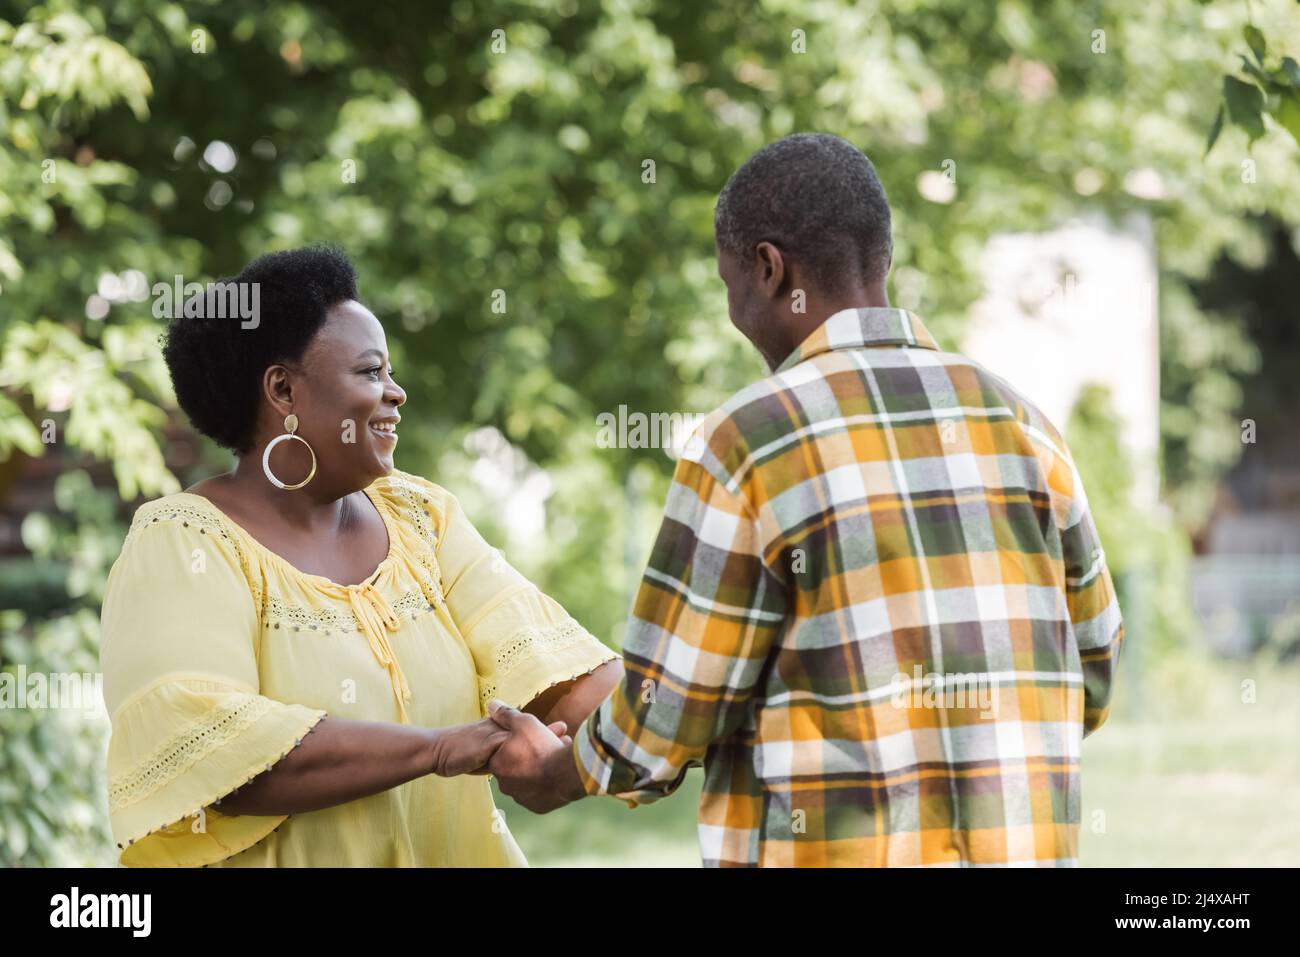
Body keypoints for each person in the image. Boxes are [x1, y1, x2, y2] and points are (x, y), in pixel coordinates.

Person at [486, 132, 1125, 867]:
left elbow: (668, 712)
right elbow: (1095, 670)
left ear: (767, 268)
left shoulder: (749, 442)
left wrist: (560, 768)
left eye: (730, 283)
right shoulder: (1022, 425)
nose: (734, 309)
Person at [99, 246, 621, 866]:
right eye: (371, 373)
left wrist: (688, 712)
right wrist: (438, 748)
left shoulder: (421, 516)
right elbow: (219, 752)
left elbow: (556, 672)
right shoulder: (184, 542)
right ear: (283, 388)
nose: (396, 393)